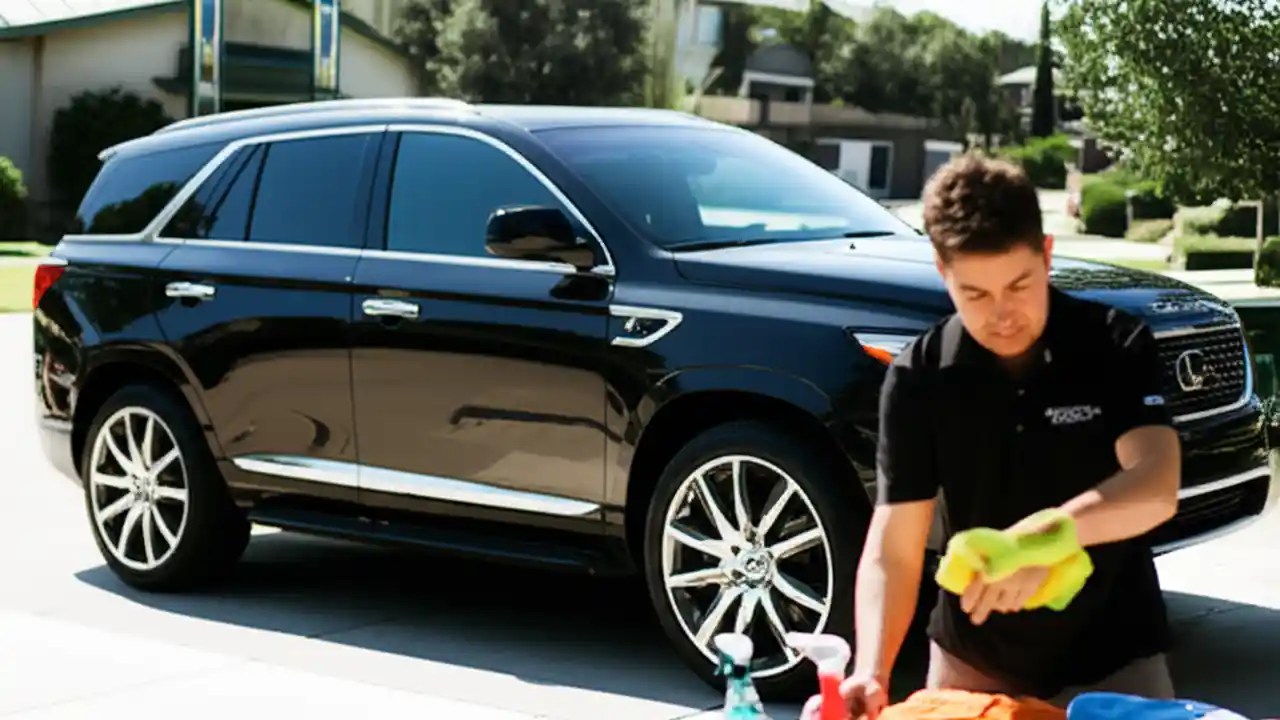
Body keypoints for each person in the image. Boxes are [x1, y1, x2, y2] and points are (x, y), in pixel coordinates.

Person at [805, 155, 1182, 718]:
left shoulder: (1113, 343)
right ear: (942, 271)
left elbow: (1157, 483)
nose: (1002, 314)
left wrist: (1049, 537)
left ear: (1047, 254)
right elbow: (895, 544)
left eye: (1019, 285)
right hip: (972, 663)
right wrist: (872, 670)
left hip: (1118, 662)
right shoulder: (919, 375)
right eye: (975, 294)